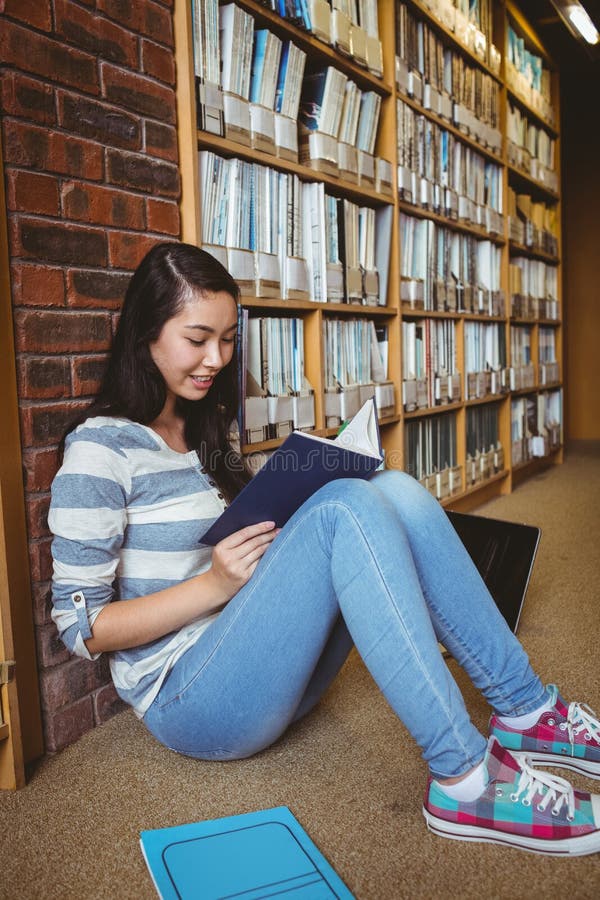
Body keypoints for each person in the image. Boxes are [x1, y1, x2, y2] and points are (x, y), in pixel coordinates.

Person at [49, 242, 600, 857]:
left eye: (229, 339)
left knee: (391, 488)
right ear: (146, 334)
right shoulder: (99, 451)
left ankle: (526, 710)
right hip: (189, 701)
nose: (216, 359)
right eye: (197, 338)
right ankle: (465, 779)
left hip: (260, 663)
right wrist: (215, 585)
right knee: (345, 509)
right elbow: (84, 628)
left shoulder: (202, 432)